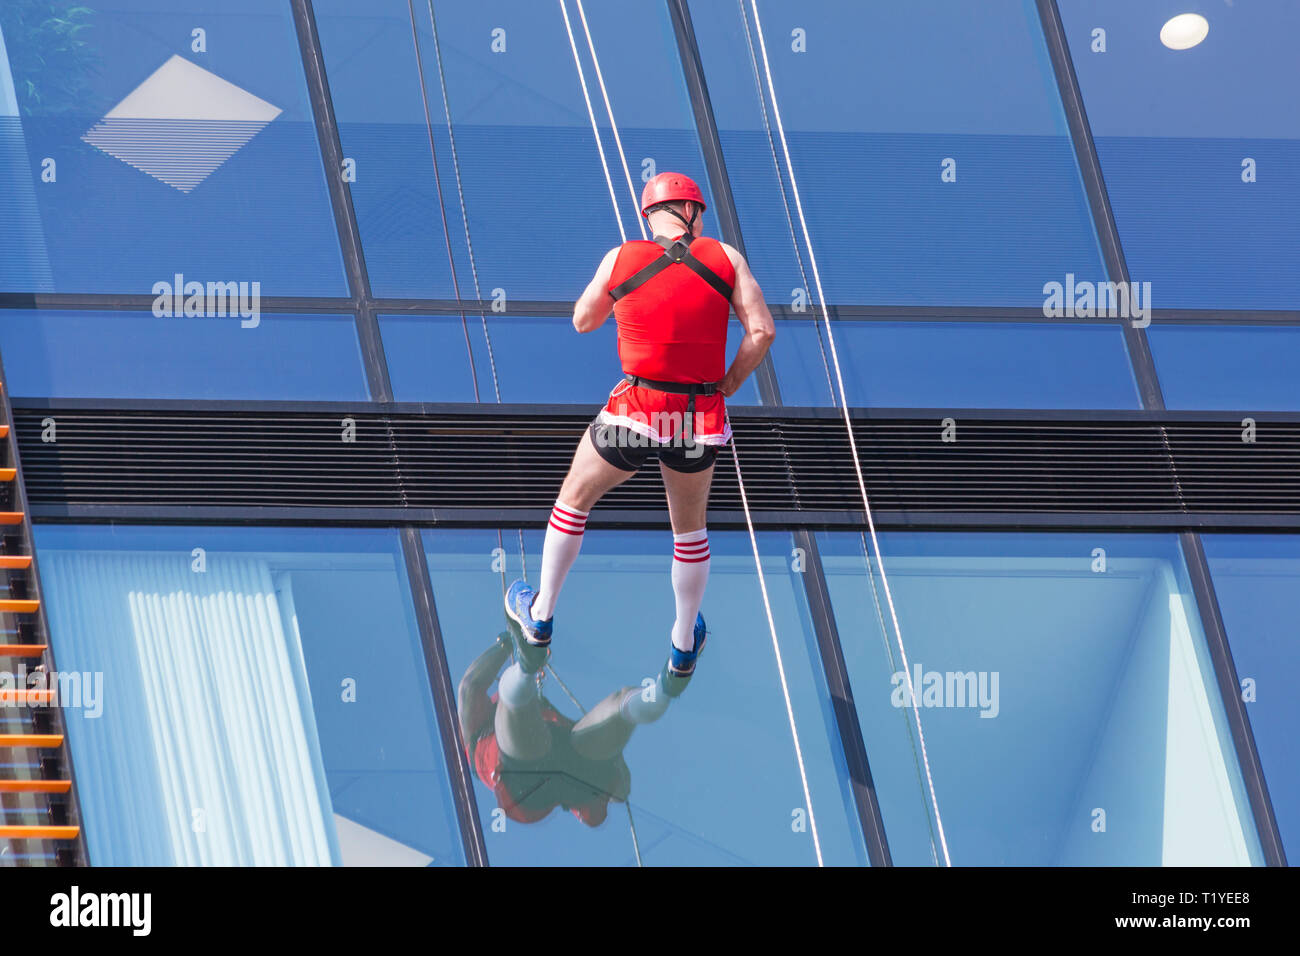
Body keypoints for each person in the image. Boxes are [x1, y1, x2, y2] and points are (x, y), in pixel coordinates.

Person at [503, 172, 775, 677]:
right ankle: (681, 641)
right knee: (689, 531)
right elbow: (761, 330)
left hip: (637, 409)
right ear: (693, 212)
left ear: (650, 216)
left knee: (574, 500)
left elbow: (583, 320)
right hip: (699, 418)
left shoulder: (623, 256)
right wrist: (729, 382)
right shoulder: (727, 258)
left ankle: (540, 615)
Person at [457, 621, 695, 828]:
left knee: (615, 706)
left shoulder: (480, 743)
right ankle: (525, 665)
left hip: (555, 776)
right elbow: (469, 687)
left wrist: (508, 644)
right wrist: (507, 643)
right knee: (528, 717)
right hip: (530, 779)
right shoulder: (479, 743)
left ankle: (665, 688)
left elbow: (471, 688)